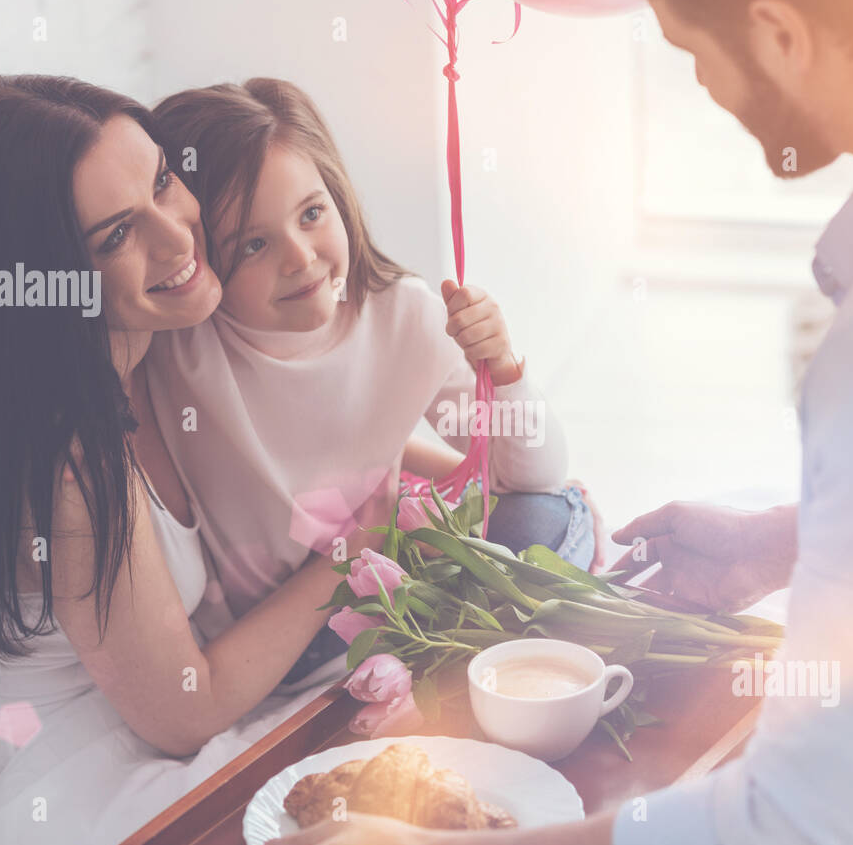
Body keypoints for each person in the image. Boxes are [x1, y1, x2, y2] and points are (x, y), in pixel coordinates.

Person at [267, 0, 853, 845]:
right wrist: (789, 541)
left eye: (689, 52)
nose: (703, 88)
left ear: (778, 33)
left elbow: (798, 831)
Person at [0, 75, 391, 845]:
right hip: (61, 793)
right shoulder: (60, 455)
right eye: (117, 235)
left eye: (162, 181)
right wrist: (360, 544)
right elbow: (186, 706)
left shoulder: (145, 344)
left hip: (141, 745)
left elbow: (317, 421)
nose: (178, 235)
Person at [143, 79, 595, 684]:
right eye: (252, 244)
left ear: (338, 195)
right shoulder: (185, 348)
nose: (300, 257)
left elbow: (531, 478)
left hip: (388, 578)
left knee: (553, 518)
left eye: (311, 213)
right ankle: (419, 664)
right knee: (532, 569)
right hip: (283, 638)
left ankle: (431, 658)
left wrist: (505, 367)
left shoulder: (403, 314)